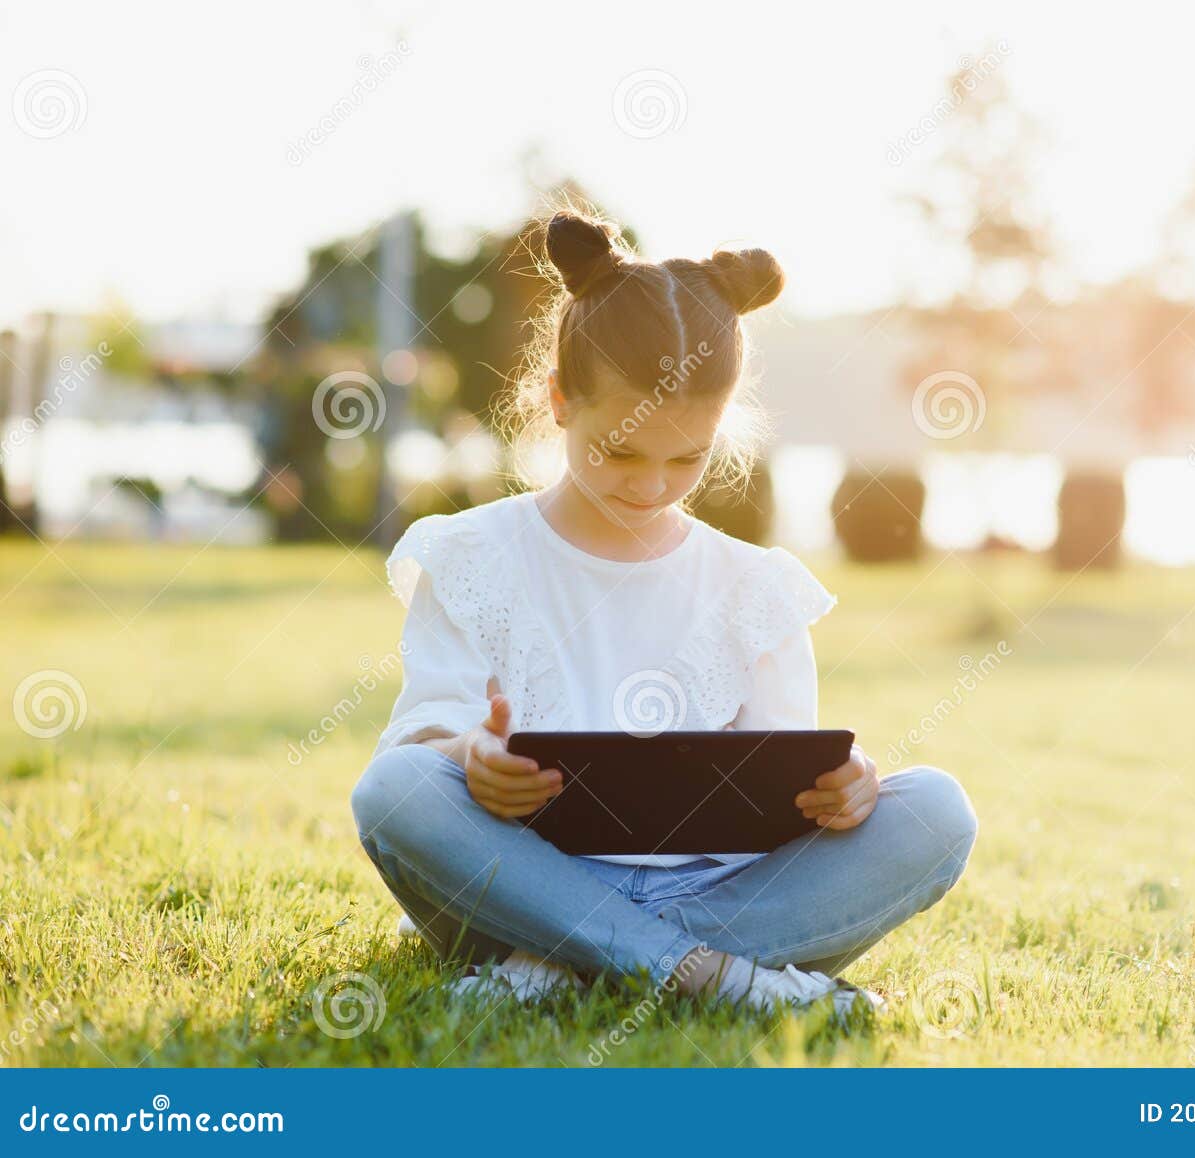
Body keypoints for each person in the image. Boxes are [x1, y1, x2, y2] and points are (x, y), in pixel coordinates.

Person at [350, 209, 978, 1017]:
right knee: (396, 786)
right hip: (525, 875)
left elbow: (782, 779)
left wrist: (845, 791)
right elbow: (427, 735)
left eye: (687, 458)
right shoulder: (474, 555)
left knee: (935, 811)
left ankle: (570, 963)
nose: (649, 487)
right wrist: (473, 754)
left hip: (699, 887)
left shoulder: (755, 585)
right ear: (559, 402)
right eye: (620, 451)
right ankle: (715, 977)